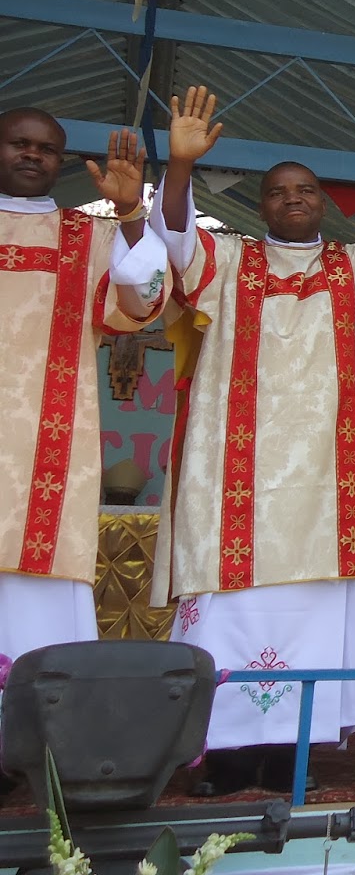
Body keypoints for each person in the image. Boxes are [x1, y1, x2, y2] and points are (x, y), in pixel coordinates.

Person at [149, 86, 355, 796]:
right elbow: (176, 244)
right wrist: (180, 169)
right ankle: (223, 757)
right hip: (231, 485)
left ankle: (290, 756)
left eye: (305, 190)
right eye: (279, 192)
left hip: (324, 490)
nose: (293, 199)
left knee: (310, 626)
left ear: (322, 201)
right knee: (227, 619)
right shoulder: (227, 262)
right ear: (263, 206)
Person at [0, 111, 168, 699]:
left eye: (45, 149)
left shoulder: (88, 239)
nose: (32, 155)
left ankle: (33, 742)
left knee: (36, 608)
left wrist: (129, 216)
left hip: (46, 457)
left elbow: (145, 303)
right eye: (19, 143)